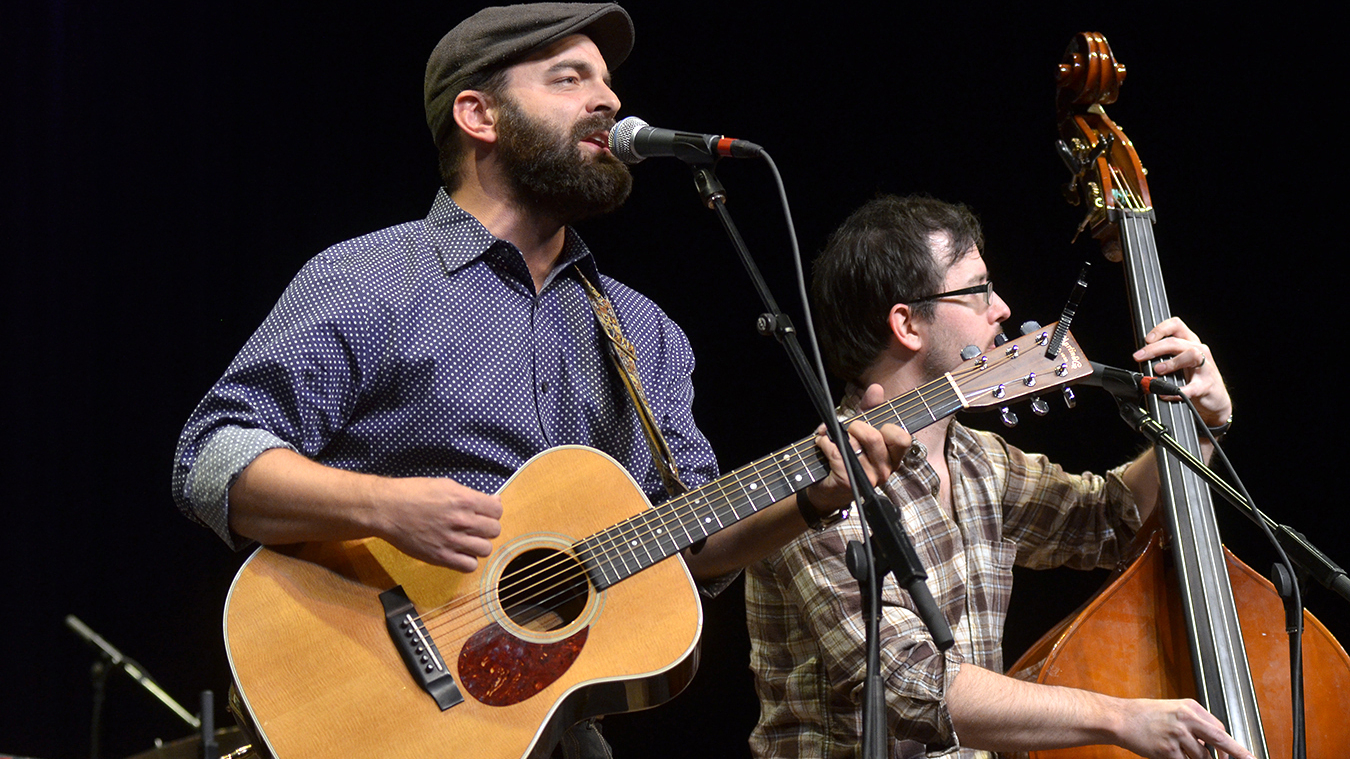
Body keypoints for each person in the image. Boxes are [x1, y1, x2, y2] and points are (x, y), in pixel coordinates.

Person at [171, 4, 905, 758]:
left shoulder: (644, 332)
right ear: (479, 115)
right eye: (569, 78)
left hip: (548, 729)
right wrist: (386, 505)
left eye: (607, 81)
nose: (611, 100)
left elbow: (696, 540)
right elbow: (211, 459)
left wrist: (814, 494)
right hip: (367, 705)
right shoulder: (370, 281)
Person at [745, 194, 1253, 759]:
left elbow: (1110, 521)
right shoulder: (814, 488)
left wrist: (1202, 426)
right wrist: (1116, 715)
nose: (1003, 308)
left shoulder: (981, 461)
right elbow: (908, 683)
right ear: (906, 323)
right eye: (978, 289)